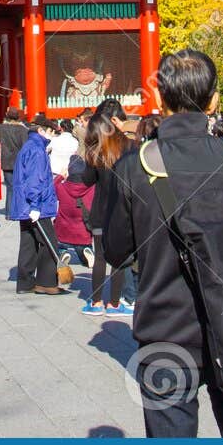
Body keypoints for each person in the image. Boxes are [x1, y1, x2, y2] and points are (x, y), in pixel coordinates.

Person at [105, 50, 223, 438]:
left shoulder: (134, 166)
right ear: (213, 101)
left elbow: (115, 250)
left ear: (159, 98)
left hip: (166, 326)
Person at [76, 107, 134, 317]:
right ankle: (115, 304)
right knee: (118, 259)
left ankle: (97, 302)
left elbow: (87, 180)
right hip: (121, 211)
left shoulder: (95, 153)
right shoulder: (128, 148)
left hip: (100, 211)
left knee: (99, 258)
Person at [8, 117, 63, 295]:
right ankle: (46, 282)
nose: (52, 135)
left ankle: (25, 283)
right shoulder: (37, 150)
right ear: (42, 130)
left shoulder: (29, 146)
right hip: (37, 204)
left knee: (28, 243)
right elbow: (35, 180)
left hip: (25, 204)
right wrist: (36, 206)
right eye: (51, 132)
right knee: (49, 242)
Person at [53, 155, 95, 267]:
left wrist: (60, 176)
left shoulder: (61, 188)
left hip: (63, 230)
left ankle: (63, 252)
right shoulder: (91, 188)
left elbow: (51, 188)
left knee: (59, 244)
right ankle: (87, 251)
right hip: (83, 233)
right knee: (84, 249)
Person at [0, 107, 26, 216]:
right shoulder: (23, 130)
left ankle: (9, 212)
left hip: (6, 160)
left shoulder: (1, 128)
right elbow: (25, 146)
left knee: (10, 187)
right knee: (19, 186)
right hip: (18, 161)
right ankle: (19, 209)